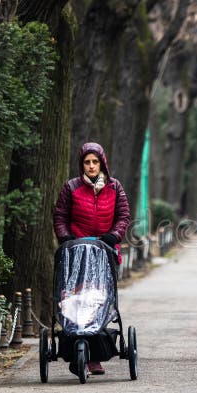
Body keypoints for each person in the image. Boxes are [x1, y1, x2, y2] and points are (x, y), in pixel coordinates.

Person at [53, 142, 130, 375]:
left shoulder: (115, 187)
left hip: (104, 251)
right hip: (76, 251)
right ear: (82, 165)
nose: (91, 166)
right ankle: (77, 351)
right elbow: (60, 216)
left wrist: (113, 235)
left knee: (98, 299)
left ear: (102, 163)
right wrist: (66, 238)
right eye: (87, 162)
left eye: (95, 162)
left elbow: (123, 215)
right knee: (76, 298)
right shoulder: (71, 187)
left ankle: (94, 356)